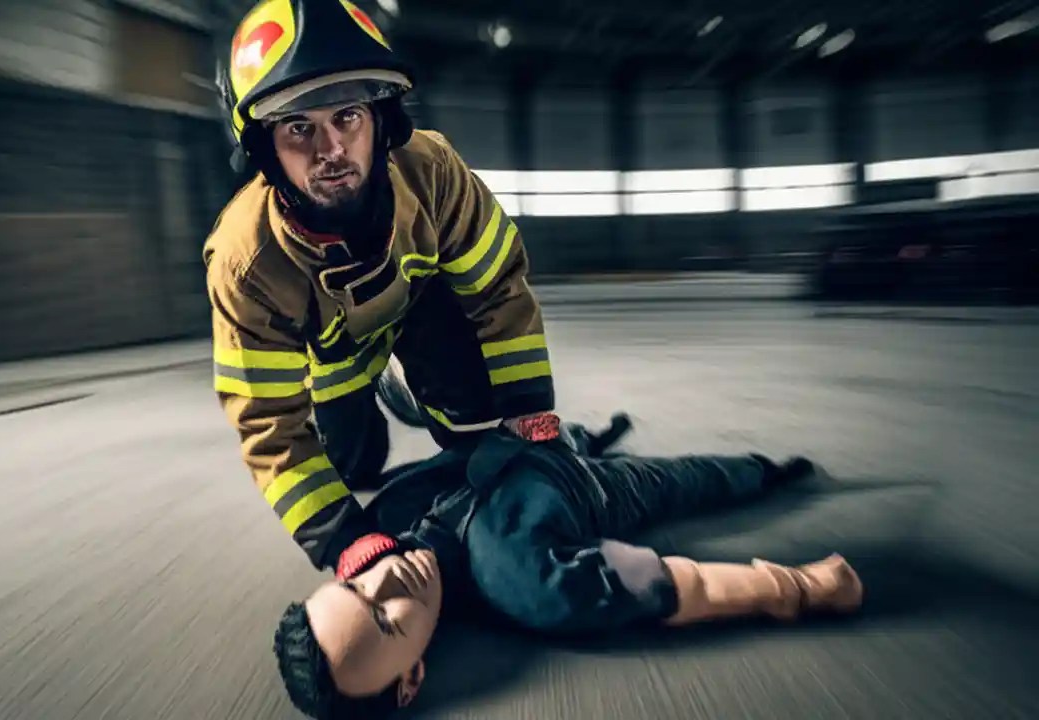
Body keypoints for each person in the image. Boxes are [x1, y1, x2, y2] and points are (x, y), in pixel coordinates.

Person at [206, 0, 560, 576]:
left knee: (477, 428)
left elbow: (498, 289)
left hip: (420, 319)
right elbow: (267, 421)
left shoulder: (433, 171)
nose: (331, 151)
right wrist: (344, 539)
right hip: (335, 368)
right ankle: (377, 394)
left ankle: (412, 383)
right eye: (299, 128)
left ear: (381, 120)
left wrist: (528, 412)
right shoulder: (244, 262)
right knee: (352, 470)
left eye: (347, 116)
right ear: (263, 147)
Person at [271, 415, 864, 718]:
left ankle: (591, 433)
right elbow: (684, 584)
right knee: (686, 480)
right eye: (386, 619)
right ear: (413, 679)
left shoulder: (384, 524)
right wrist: (797, 587)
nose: (388, 577)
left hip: (524, 438)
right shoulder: (528, 585)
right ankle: (767, 470)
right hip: (590, 488)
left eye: (356, 588)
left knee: (560, 429)